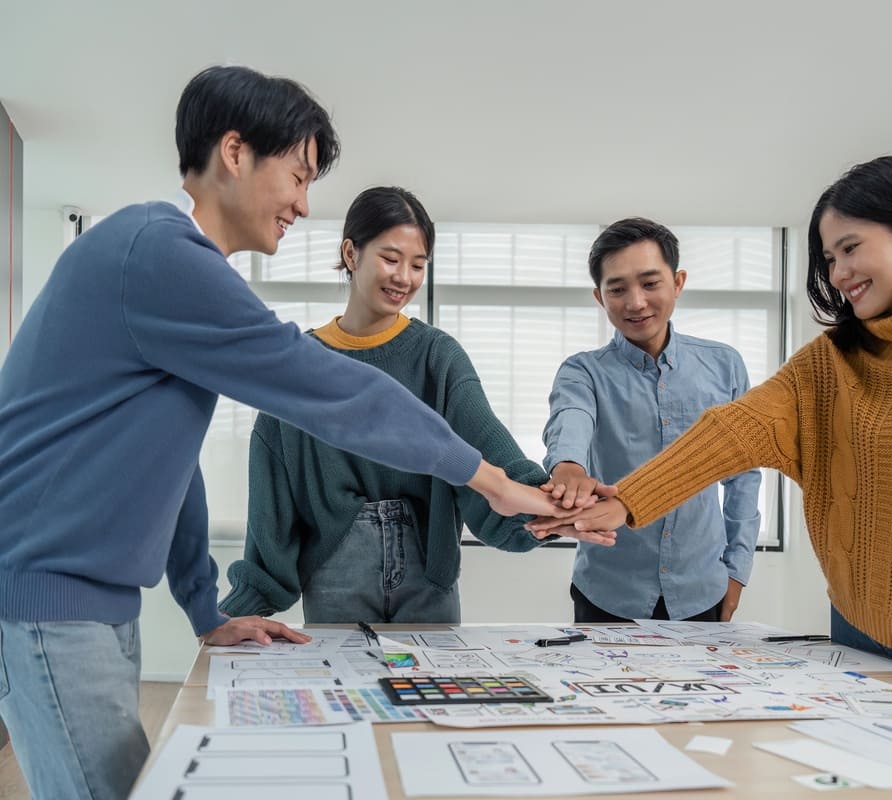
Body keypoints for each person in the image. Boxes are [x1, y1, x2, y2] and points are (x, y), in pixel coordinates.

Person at [0, 66, 583, 800]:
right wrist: (492, 481)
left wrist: (206, 610)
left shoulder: (169, 274)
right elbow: (328, 387)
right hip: (49, 594)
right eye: (298, 176)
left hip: (95, 599)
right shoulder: (157, 252)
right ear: (236, 152)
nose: (304, 205)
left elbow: (170, 469)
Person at [531, 157, 892, 713]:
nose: (839, 272)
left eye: (850, 247)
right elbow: (734, 433)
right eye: (828, 257)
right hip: (850, 625)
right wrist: (621, 496)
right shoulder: (830, 359)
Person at [220, 187, 612, 624]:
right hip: (334, 578)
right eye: (390, 258)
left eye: (419, 264)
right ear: (351, 253)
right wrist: (235, 612)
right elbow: (270, 503)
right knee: (344, 691)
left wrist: (553, 505)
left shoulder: (437, 357)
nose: (404, 277)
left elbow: (491, 453)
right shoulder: (297, 368)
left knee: (436, 691)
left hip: (429, 576)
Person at [541, 217, 762, 623]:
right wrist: (567, 465)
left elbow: (743, 475)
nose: (636, 302)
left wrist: (737, 572)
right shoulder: (583, 371)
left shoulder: (725, 365)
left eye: (650, 283)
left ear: (677, 282)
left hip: (703, 589)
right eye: (617, 289)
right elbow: (570, 418)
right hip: (608, 593)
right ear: (599, 297)